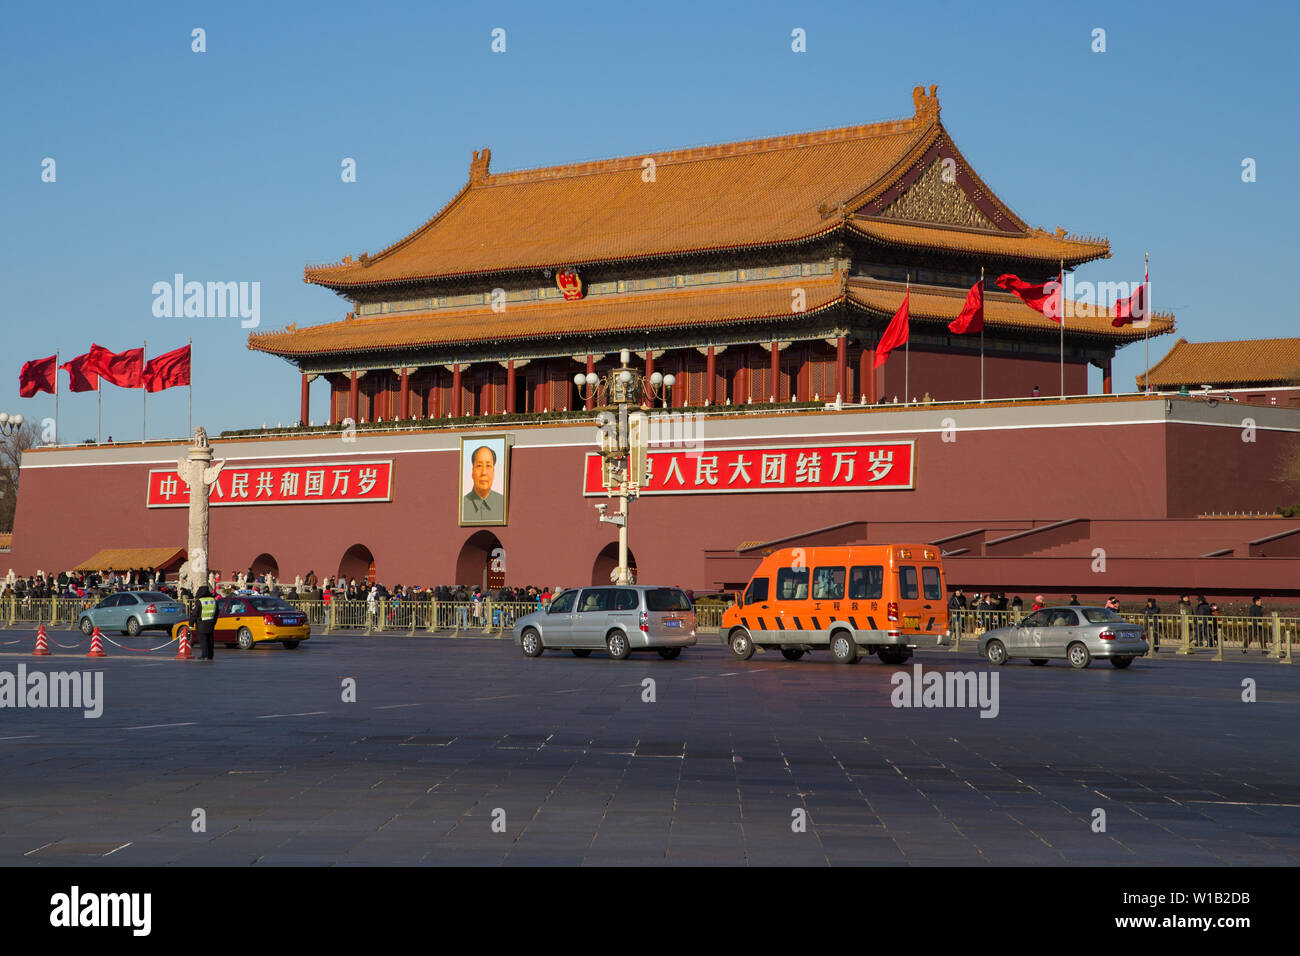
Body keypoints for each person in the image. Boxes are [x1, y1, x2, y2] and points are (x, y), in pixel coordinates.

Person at [462, 444, 505, 522]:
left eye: (488, 466)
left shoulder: (504, 503)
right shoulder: (462, 506)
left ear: (493, 472)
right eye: (479, 466)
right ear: (472, 471)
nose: (484, 472)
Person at [189, 584, 218, 661]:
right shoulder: (213, 600)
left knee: (203, 640)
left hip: (201, 623)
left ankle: (204, 655)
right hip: (211, 622)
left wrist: (191, 623)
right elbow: (216, 612)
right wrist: (214, 622)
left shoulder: (199, 601)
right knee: (210, 640)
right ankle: (210, 655)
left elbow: (195, 613)